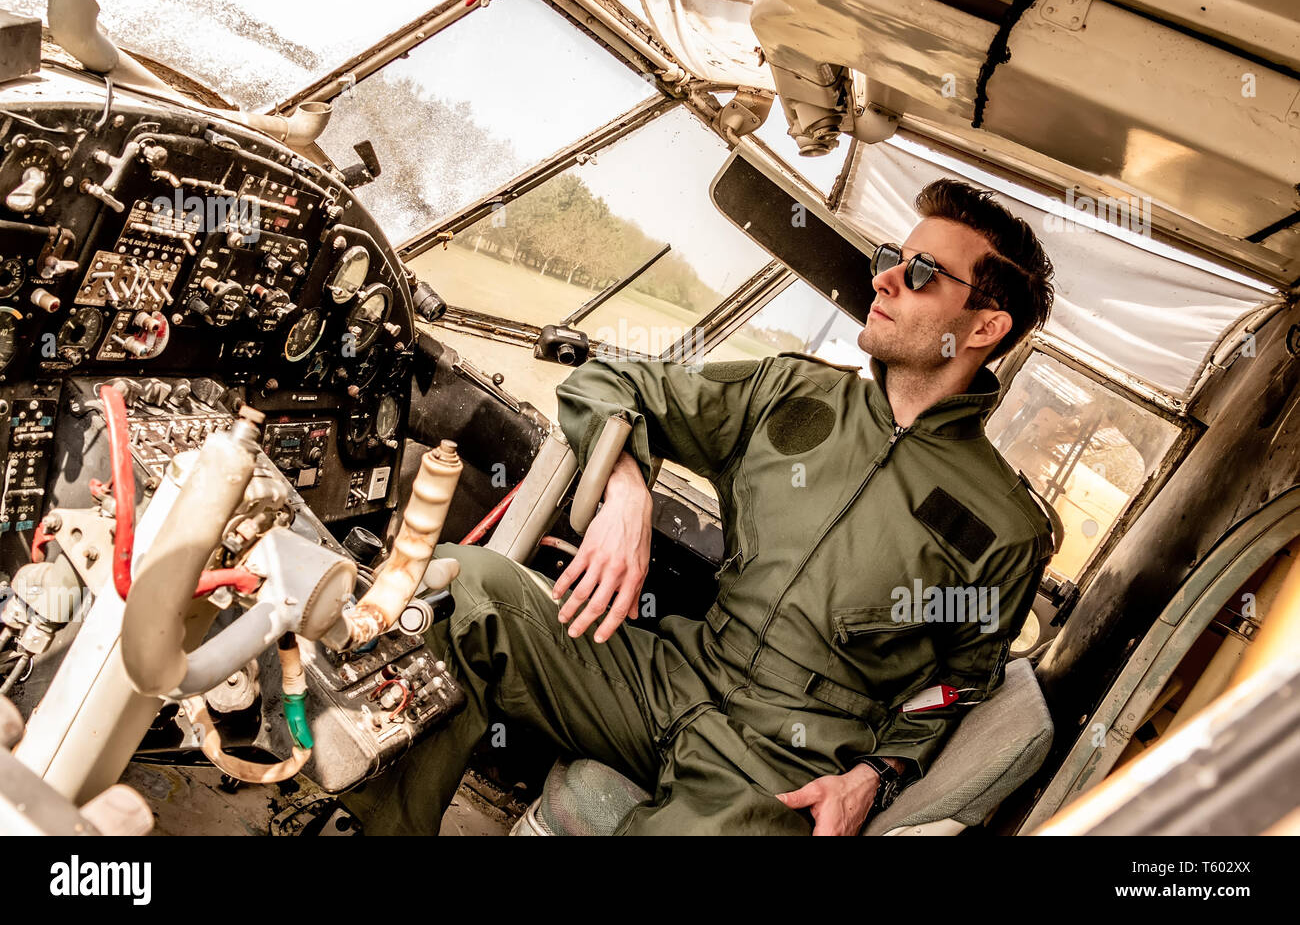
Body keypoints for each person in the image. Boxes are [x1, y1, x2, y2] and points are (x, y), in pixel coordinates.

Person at [344, 178, 1060, 835]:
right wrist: (626, 487)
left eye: (923, 273)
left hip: (786, 756)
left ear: (983, 328)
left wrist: (876, 774)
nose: (885, 277)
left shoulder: (1004, 525)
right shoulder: (793, 394)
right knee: (462, 593)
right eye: (891, 257)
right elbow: (610, 382)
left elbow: (955, 684)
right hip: (674, 673)